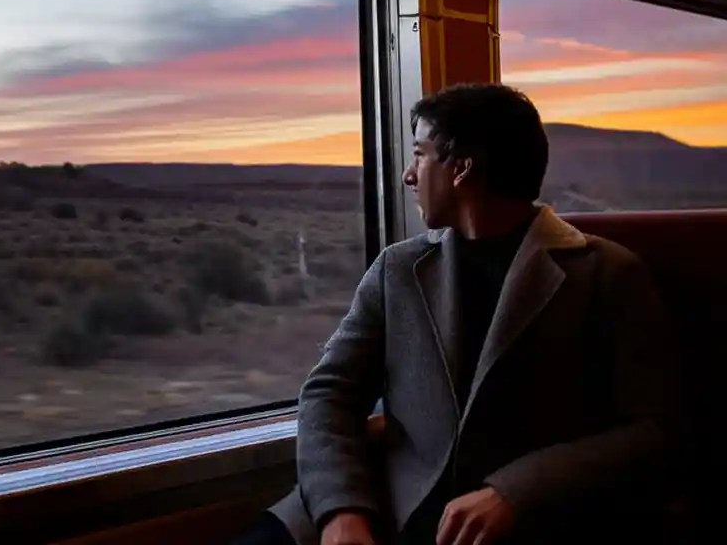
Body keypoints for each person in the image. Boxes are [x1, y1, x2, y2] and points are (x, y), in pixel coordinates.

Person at [235, 83, 681, 545]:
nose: (409, 175)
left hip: (528, 520)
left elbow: (650, 431)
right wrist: (340, 512)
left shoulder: (605, 273)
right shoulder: (399, 269)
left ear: (462, 168)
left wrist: (513, 493)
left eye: (420, 155)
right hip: (381, 503)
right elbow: (329, 394)